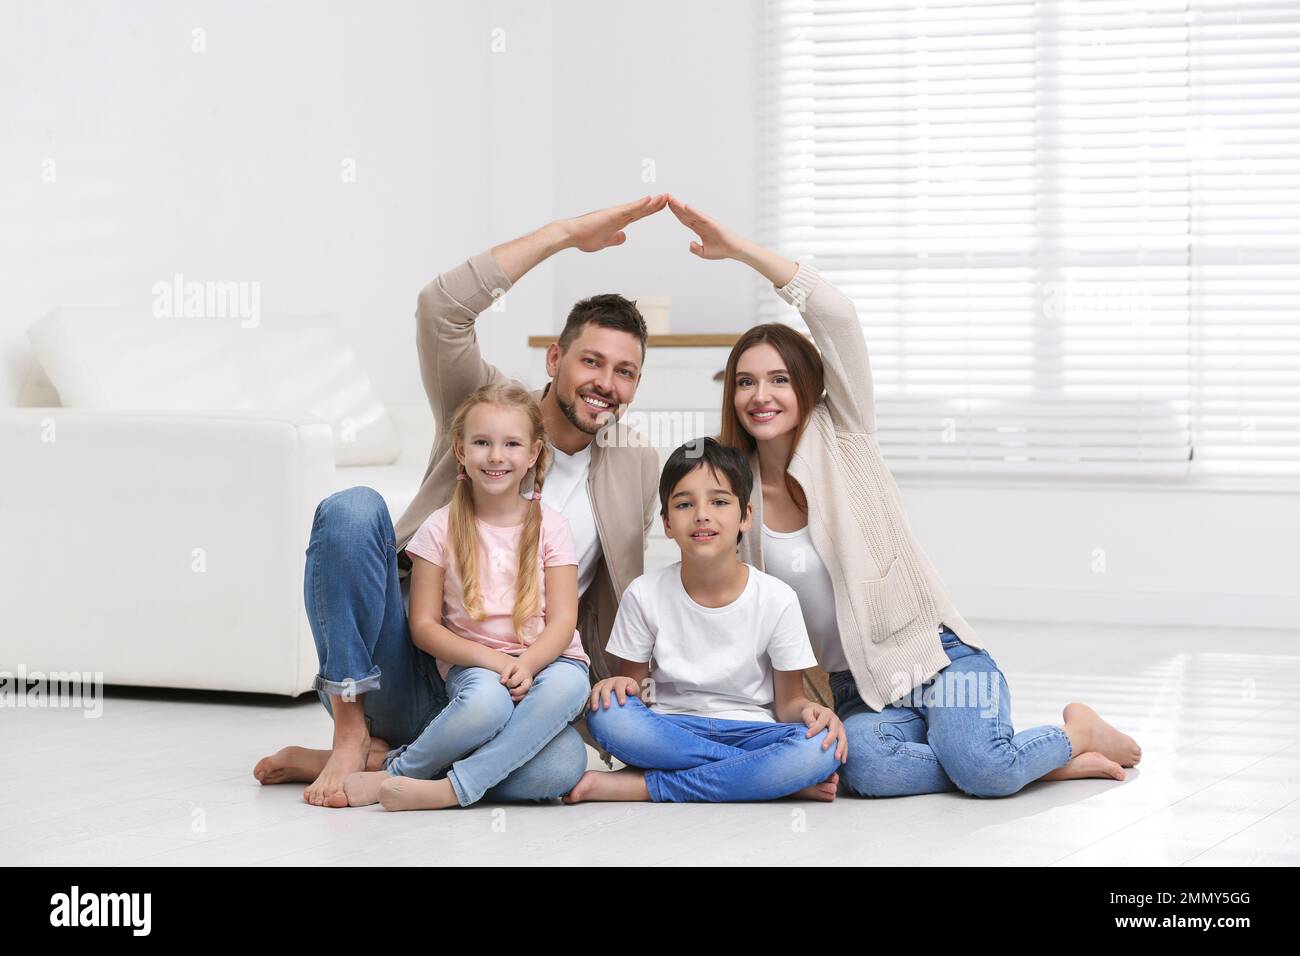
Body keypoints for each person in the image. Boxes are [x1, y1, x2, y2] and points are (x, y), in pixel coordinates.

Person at [665, 195, 1142, 798]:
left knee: (982, 772)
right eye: (746, 382)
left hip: (934, 660)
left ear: (807, 385)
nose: (761, 394)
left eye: (780, 378)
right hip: (850, 688)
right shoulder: (731, 493)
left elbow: (835, 313)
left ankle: (1069, 735)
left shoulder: (846, 433)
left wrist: (739, 251)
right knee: (866, 770)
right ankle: (1025, 759)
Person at [253, 196, 667, 807]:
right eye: (592, 362)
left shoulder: (637, 463)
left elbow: (615, 603)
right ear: (555, 359)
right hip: (408, 658)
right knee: (350, 511)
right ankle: (348, 734)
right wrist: (565, 234)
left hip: (513, 680)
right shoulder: (485, 406)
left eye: (626, 372)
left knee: (554, 771)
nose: (607, 384)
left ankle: (388, 765)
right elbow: (440, 309)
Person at [343, 384, 591, 810]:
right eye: (482, 443)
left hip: (549, 664)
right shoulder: (437, 529)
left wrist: (528, 664)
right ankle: (414, 776)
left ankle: (419, 778)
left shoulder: (553, 526)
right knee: (486, 704)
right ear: (460, 450)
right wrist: (498, 663)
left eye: (511, 444)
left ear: (532, 454)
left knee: (567, 745)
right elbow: (423, 627)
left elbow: (564, 621)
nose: (496, 456)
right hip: (477, 670)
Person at [565, 438, 845, 804]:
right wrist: (618, 685)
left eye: (719, 501)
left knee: (821, 750)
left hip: (753, 731)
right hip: (671, 728)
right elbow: (635, 688)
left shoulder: (777, 598)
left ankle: (648, 786)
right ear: (666, 522)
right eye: (684, 504)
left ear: (746, 515)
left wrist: (810, 710)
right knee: (608, 717)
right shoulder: (643, 593)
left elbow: (788, 704)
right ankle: (767, 777)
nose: (702, 514)